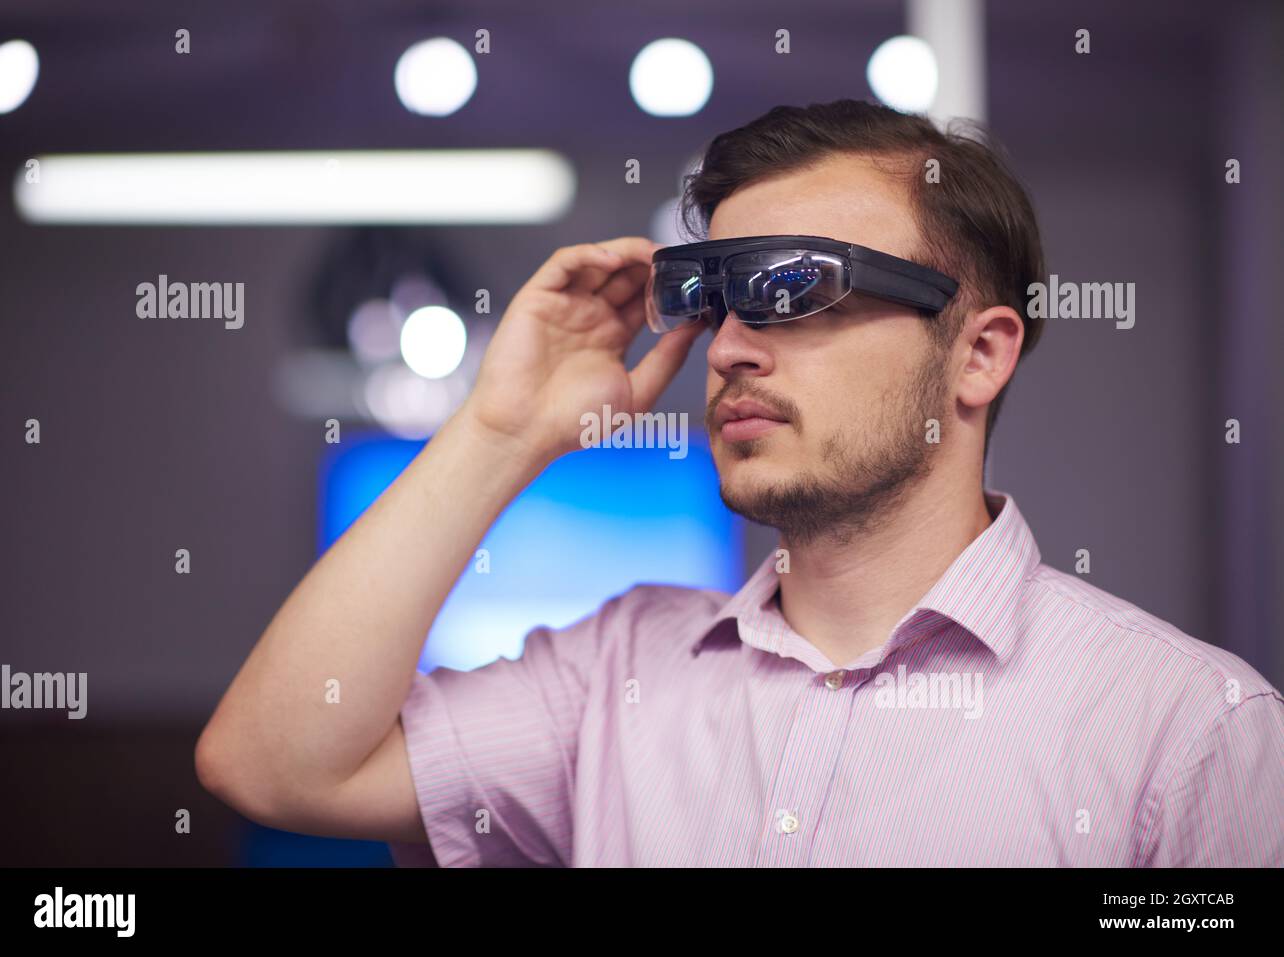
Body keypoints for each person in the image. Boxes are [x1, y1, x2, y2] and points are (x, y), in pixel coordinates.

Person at [195, 99, 1284, 866]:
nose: (726, 350)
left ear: (978, 354)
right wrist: (499, 429)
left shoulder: (1189, 734)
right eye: (714, 299)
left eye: (793, 290)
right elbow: (274, 766)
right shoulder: (611, 675)